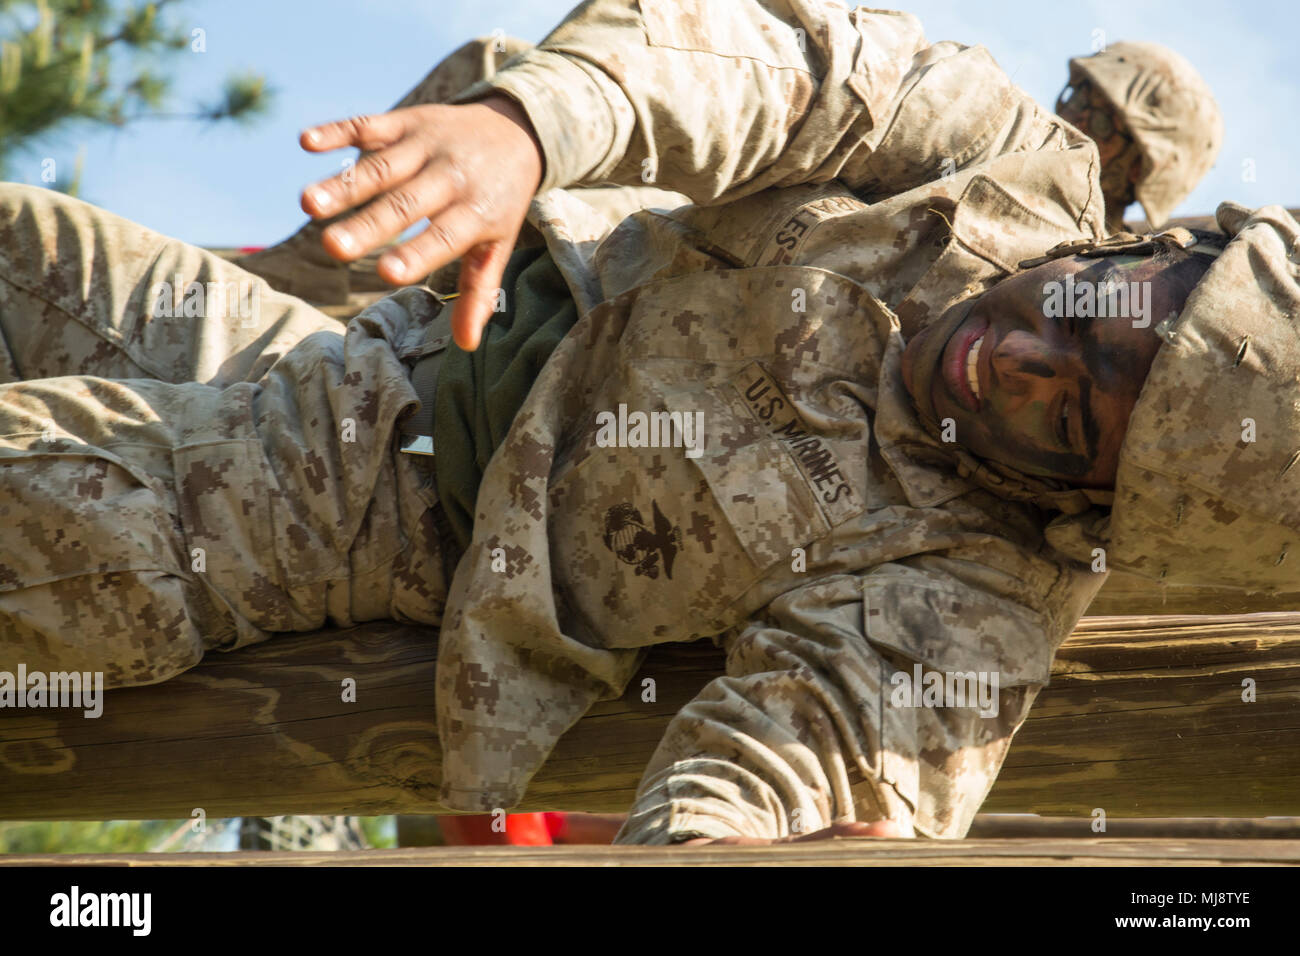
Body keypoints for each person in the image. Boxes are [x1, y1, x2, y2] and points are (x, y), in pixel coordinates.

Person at [0, 0, 1293, 846]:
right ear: (1169, 246)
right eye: (1093, 318)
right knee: (24, 247)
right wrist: (529, 126)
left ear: (1088, 506)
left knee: (42, 502)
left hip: (358, 493)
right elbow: (786, 69)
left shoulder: (973, 591)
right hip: (369, 333)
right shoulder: (988, 155)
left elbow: (805, 766)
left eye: (1070, 423)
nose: (1015, 358)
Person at [236, 28, 1221, 304]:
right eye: (1077, 95)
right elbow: (816, 88)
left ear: (1146, 167)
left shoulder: (1099, 306)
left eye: (1104, 118)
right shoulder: (987, 150)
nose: (1074, 115)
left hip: (645, 367)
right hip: (643, 257)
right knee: (494, 73)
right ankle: (309, 280)